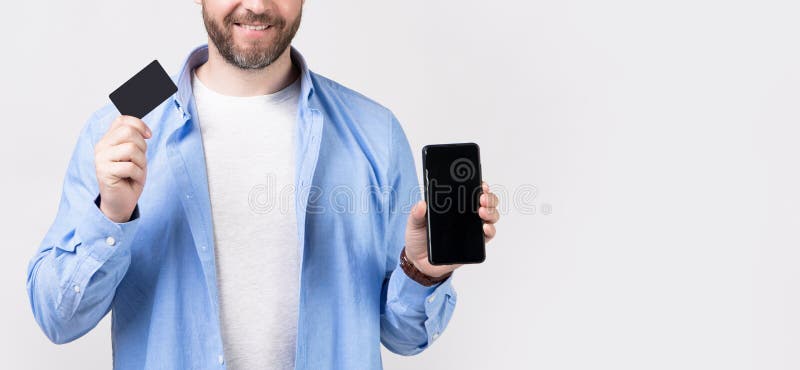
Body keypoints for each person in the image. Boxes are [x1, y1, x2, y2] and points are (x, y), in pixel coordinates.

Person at [26, 0, 501, 368]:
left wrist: (422, 271)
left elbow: (404, 336)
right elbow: (58, 319)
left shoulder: (372, 131)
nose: (255, 4)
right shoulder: (124, 123)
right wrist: (110, 215)